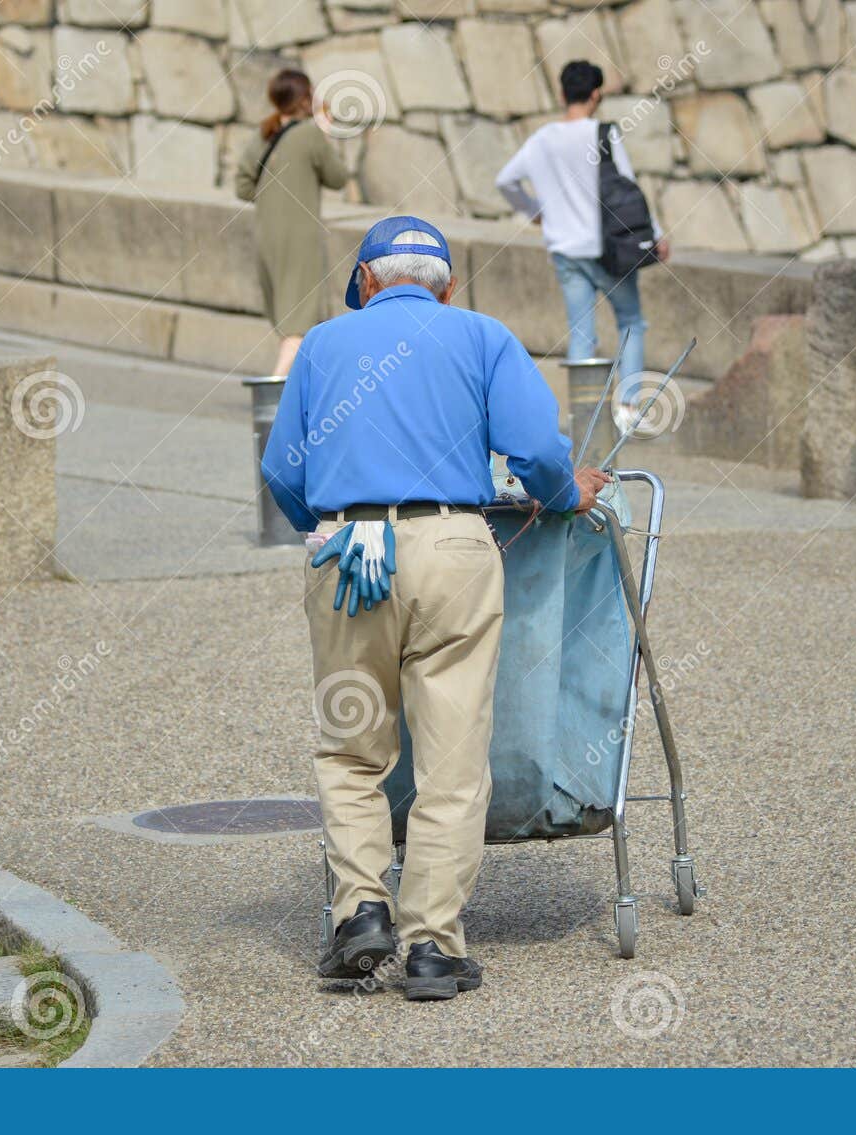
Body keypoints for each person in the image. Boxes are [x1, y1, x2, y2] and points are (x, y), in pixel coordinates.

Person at [260, 215, 613, 1001]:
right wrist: (563, 493)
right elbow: (539, 451)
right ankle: (431, 948)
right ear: (447, 287)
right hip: (454, 548)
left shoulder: (321, 345)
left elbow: (281, 469)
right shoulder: (482, 335)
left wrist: (323, 523)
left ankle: (358, 912)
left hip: (350, 553)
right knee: (452, 760)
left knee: (351, 748)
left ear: (363, 284)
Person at [495, 60, 668, 433]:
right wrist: (654, 235)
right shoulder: (603, 133)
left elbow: (505, 180)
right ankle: (627, 409)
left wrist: (533, 211)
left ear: (561, 94)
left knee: (581, 333)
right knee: (631, 322)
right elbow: (628, 187)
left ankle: (581, 417)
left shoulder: (541, 139)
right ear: (595, 95)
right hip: (608, 248)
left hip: (565, 250)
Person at [235, 70, 349, 376]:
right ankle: (276, 386)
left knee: (288, 317)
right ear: (304, 99)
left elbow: (243, 187)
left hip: (266, 235)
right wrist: (325, 134)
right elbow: (338, 178)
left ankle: (301, 382)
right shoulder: (310, 135)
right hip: (301, 238)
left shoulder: (264, 134)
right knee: (300, 315)